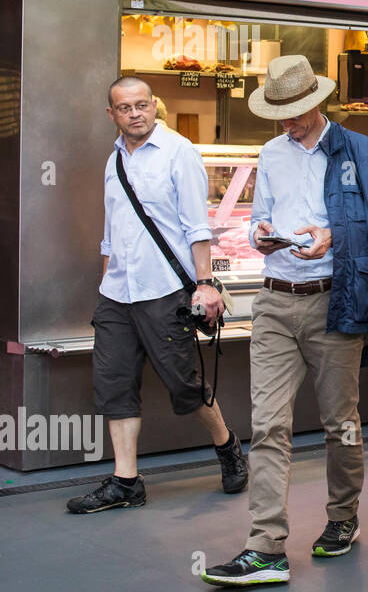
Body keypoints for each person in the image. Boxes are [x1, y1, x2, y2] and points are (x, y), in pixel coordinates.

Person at [202, 55, 368, 588]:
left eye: (295, 112)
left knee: (339, 422)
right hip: (274, 300)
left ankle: (343, 517)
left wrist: (334, 237)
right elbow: (256, 218)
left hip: (334, 300)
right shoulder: (271, 152)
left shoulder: (358, 151)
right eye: (280, 113)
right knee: (268, 425)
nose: (287, 123)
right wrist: (263, 233)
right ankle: (265, 547)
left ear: (317, 103)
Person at [67, 77, 247, 514]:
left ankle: (227, 446)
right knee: (113, 384)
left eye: (142, 105)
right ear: (112, 114)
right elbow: (111, 233)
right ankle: (126, 481)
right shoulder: (114, 160)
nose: (135, 113)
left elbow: (196, 226)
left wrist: (205, 284)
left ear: (154, 107)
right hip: (117, 294)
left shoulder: (178, 152)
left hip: (164, 290)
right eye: (125, 108)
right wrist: (105, 284)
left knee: (184, 384)